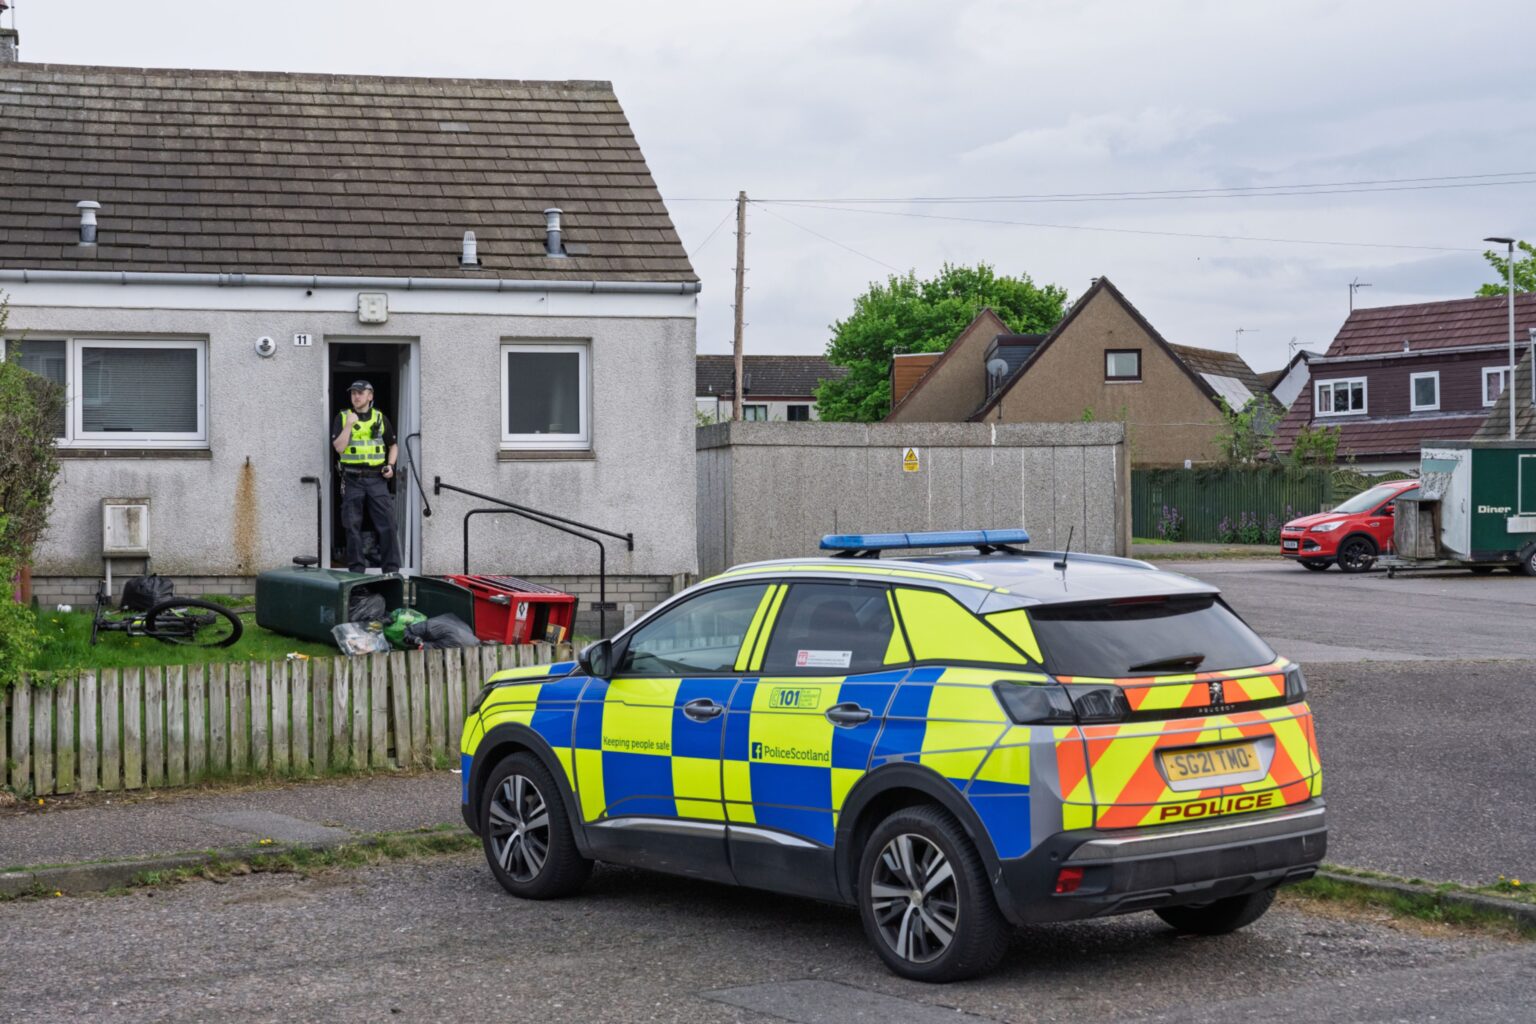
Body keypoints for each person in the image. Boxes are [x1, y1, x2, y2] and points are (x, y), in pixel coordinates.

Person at [332, 379, 401, 574]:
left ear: (370, 396)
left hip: (377, 479)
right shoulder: (343, 417)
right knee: (351, 526)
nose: (356, 396)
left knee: (388, 524)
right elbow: (339, 447)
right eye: (353, 393)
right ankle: (356, 571)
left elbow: (393, 445)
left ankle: (391, 571)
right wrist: (349, 426)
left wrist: (391, 465)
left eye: (360, 393)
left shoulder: (380, 418)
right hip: (352, 479)